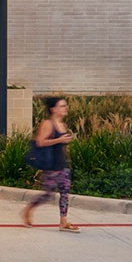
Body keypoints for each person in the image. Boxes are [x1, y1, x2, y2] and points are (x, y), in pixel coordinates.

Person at [23, 94, 79, 230]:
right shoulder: (48, 124)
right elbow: (40, 142)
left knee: (65, 193)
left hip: (62, 164)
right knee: (47, 194)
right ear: (53, 109)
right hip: (50, 165)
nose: (65, 108)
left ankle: (63, 222)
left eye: (65, 105)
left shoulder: (62, 124)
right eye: (62, 106)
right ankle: (28, 209)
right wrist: (59, 140)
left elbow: (62, 145)